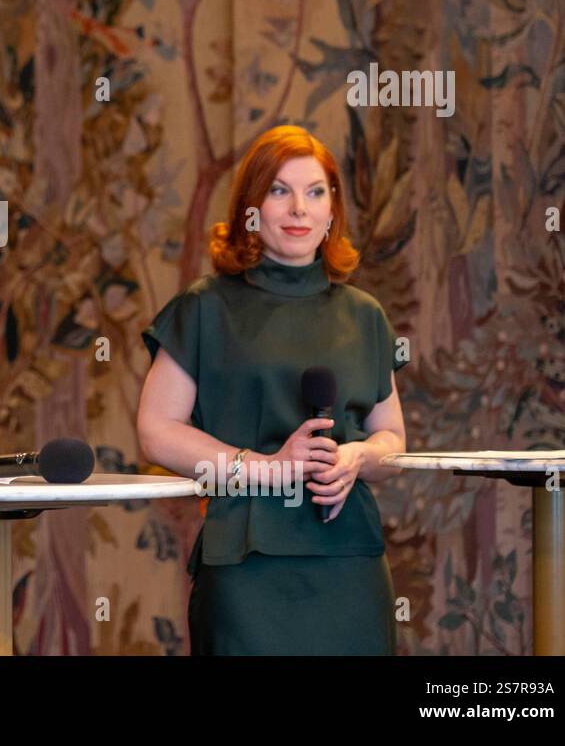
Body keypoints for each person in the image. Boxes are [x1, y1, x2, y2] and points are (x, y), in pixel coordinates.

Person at [136, 125, 406, 654]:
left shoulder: (364, 315)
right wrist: (267, 468)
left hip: (349, 563)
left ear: (333, 211)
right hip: (246, 566)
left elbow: (392, 438)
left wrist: (357, 456)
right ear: (251, 207)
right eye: (279, 190)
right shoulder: (206, 308)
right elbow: (156, 431)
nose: (298, 208)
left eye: (315, 192)